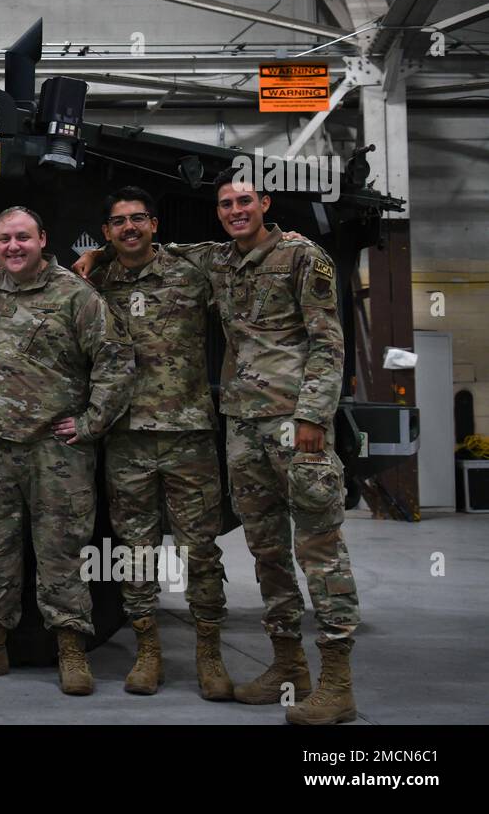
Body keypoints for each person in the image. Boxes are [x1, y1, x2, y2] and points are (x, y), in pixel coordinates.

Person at [75, 170, 359, 724]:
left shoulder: (302, 257)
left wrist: (314, 415)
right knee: (268, 553)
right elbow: (145, 251)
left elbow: (328, 338)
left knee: (319, 552)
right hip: (239, 425)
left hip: (292, 425)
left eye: (245, 201)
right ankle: (288, 667)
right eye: (226, 203)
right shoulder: (218, 262)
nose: (235, 210)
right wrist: (90, 261)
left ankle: (338, 684)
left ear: (265, 203)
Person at [0, 206, 134, 696]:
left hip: (58, 451)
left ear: (42, 240)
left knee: (62, 552)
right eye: (5, 239)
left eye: (23, 238)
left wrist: (93, 421)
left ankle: (71, 650)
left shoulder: (75, 294)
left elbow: (116, 360)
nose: (14, 247)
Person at [83, 186, 231, 699]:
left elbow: (244, 254)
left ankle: (209, 654)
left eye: (138, 219)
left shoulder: (192, 273)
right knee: (135, 550)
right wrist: (92, 258)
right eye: (118, 221)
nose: (129, 228)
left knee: (201, 550)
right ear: (106, 232)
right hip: (125, 437)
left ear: (154, 224)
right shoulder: (95, 279)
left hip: (188, 434)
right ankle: (148, 652)